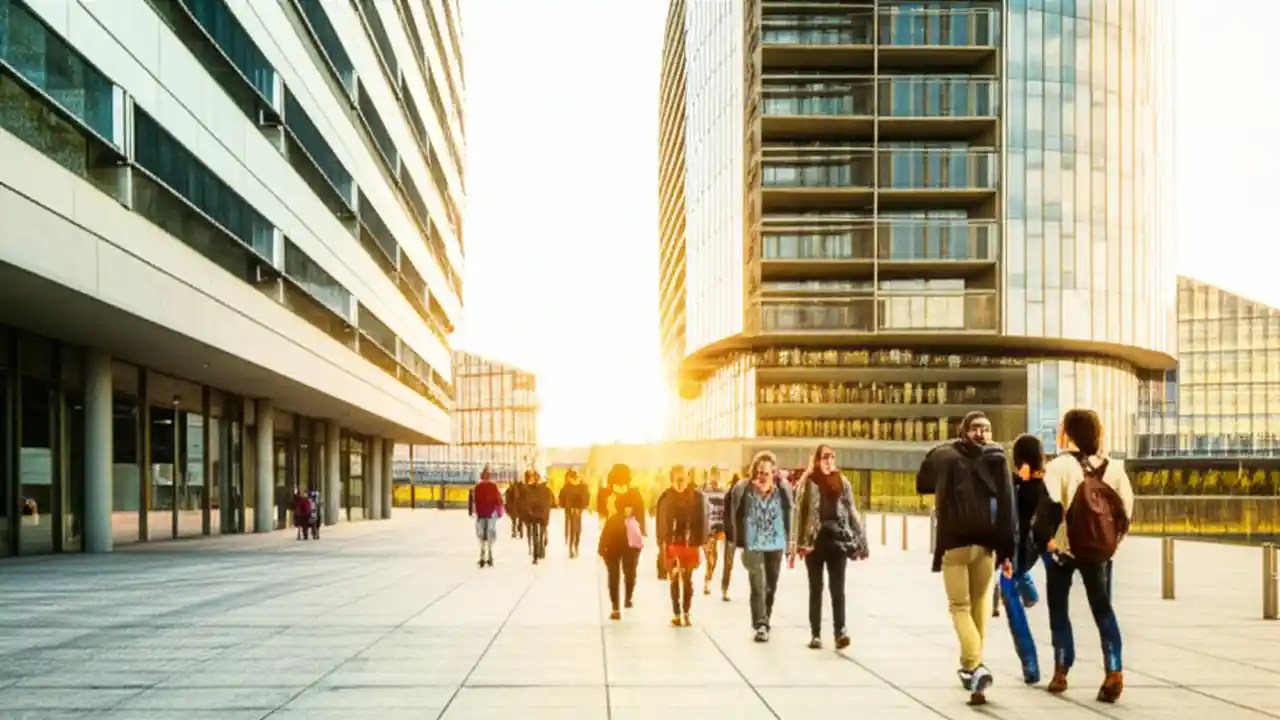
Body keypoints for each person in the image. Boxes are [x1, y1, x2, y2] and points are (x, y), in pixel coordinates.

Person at [916, 411, 1017, 706]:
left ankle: (973, 665)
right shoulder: (998, 458)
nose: (983, 434)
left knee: (960, 606)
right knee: (981, 604)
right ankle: (972, 669)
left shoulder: (945, 455)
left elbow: (922, 482)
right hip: (986, 545)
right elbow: (1008, 508)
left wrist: (947, 449)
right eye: (981, 429)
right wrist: (1008, 551)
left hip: (954, 544)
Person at [1036, 409, 1134, 704]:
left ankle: (1061, 670)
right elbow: (1126, 512)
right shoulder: (1114, 468)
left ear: (1067, 433)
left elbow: (1049, 509)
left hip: (1064, 550)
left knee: (1059, 609)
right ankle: (1114, 670)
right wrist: (1110, 544)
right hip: (1099, 551)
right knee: (1103, 609)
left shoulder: (1059, 466)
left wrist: (1048, 542)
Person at [790, 444, 868, 650]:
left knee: (838, 589)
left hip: (837, 540)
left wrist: (861, 539)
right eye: (825, 457)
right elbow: (797, 513)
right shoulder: (807, 482)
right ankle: (815, 634)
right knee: (815, 588)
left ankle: (840, 632)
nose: (829, 461)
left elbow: (851, 510)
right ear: (816, 459)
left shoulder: (841, 481)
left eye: (832, 456)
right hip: (813, 543)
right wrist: (796, 544)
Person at [996, 433, 1050, 683]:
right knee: (1018, 576)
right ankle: (1029, 591)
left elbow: (1011, 523)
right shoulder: (1048, 484)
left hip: (1022, 548)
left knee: (1007, 588)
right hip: (1046, 546)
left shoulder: (1016, 487)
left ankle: (1029, 662)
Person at [724, 451, 792, 643]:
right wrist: (734, 538)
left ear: (774, 474)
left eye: (766, 473)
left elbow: (790, 513)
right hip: (753, 544)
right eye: (758, 472)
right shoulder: (743, 489)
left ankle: (765, 618)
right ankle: (760, 624)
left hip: (776, 543)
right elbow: (731, 511)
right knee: (757, 582)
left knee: (771, 585)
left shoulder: (782, 490)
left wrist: (792, 541)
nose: (761, 477)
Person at [656, 465, 706, 627]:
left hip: (689, 543)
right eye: (677, 479)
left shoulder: (696, 497)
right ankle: (677, 613)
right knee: (675, 578)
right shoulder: (666, 497)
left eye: (683, 479)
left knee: (688, 579)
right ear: (671, 480)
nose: (680, 482)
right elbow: (661, 523)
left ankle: (686, 611)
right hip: (673, 543)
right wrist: (662, 544)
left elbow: (701, 520)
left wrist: (702, 542)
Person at [597, 463, 646, 620]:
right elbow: (640, 516)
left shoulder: (606, 494)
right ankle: (628, 597)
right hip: (630, 540)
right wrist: (642, 533)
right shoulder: (634, 494)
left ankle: (615, 607)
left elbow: (601, 516)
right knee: (630, 572)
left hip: (611, 538)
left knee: (613, 574)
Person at [470, 466, 504, 567]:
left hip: (481, 514)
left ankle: (482, 554)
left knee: (481, 535)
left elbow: (474, 501)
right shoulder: (493, 486)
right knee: (490, 532)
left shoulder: (477, 487)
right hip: (490, 512)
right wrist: (499, 511)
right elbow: (498, 500)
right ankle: (490, 554)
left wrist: (474, 511)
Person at [702, 468, 727, 597]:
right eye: (713, 476)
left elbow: (726, 510)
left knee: (714, 558)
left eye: (716, 476)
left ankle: (707, 580)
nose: (714, 479)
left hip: (719, 527)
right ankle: (706, 582)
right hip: (708, 529)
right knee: (709, 558)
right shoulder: (704, 492)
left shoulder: (723, 492)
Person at [522, 471, 554, 564]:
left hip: (533, 515)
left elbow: (526, 503)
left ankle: (535, 556)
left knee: (535, 535)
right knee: (541, 533)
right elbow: (550, 502)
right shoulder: (546, 489)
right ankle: (541, 551)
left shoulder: (529, 490)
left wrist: (527, 514)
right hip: (543, 515)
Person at [720, 473, 741, 600]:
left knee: (728, 564)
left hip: (735, 534)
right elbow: (726, 516)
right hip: (732, 535)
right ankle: (724, 589)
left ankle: (724, 589)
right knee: (728, 564)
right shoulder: (730, 496)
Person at [559, 469, 590, 558]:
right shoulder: (566, 487)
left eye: (570, 478)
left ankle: (576, 547)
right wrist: (566, 507)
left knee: (578, 530)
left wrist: (583, 507)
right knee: (572, 530)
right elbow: (562, 498)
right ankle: (571, 549)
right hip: (570, 511)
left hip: (578, 511)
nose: (569, 480)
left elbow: (586, 498)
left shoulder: (583, 487)